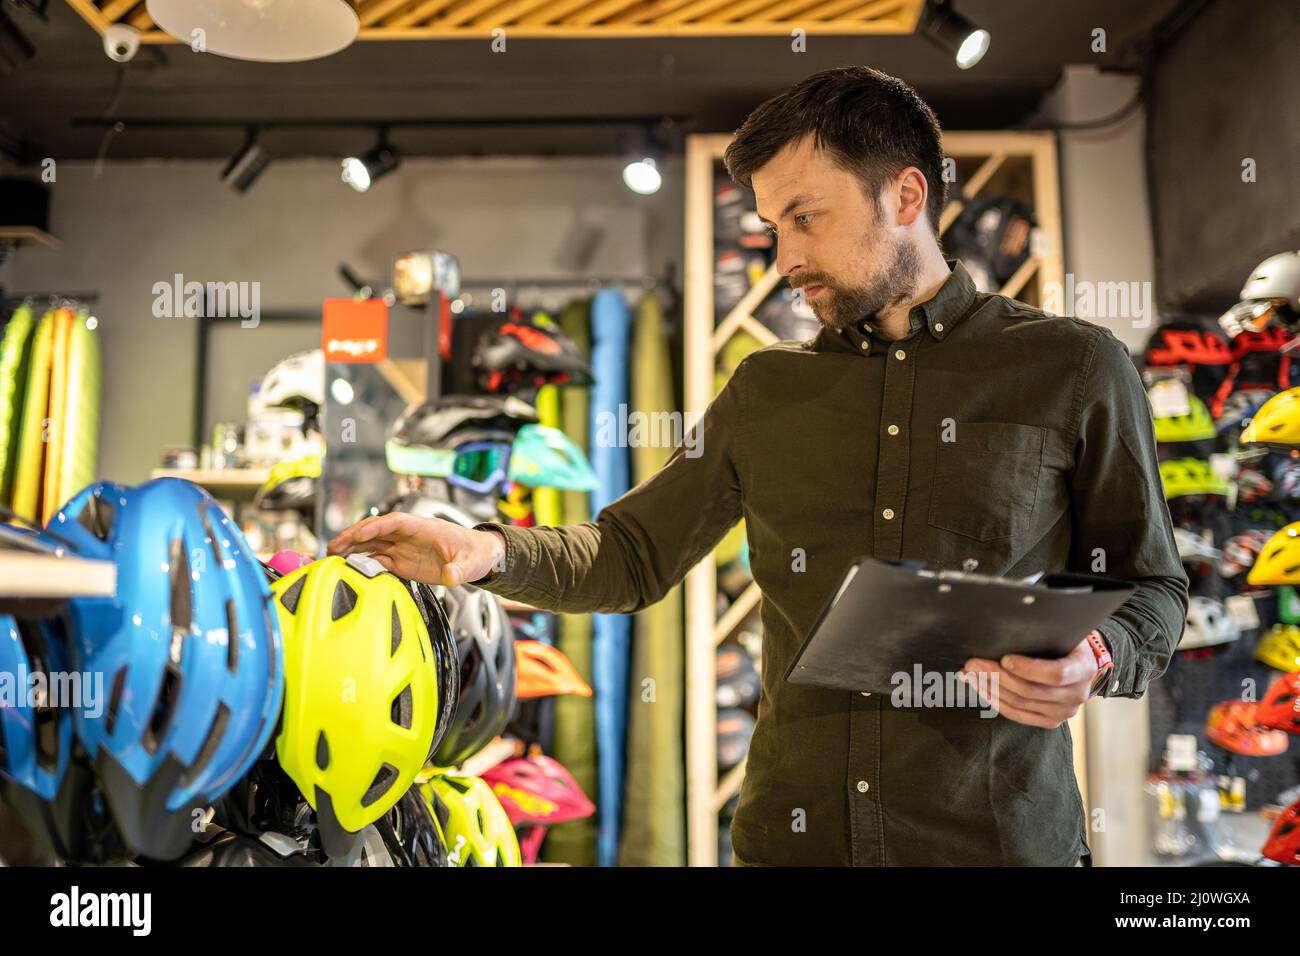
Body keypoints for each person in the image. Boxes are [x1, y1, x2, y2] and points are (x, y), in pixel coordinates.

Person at [330, 66, 1189, 866]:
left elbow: (1155, 589)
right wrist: (482, 554)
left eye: (805, 219)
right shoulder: (765, 389)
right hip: (794, 840)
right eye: (773, 228)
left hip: (996, 841)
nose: (784, 260)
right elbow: (632, 554)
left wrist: (1097, 655)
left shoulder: (1074, 368)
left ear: (906, 195)